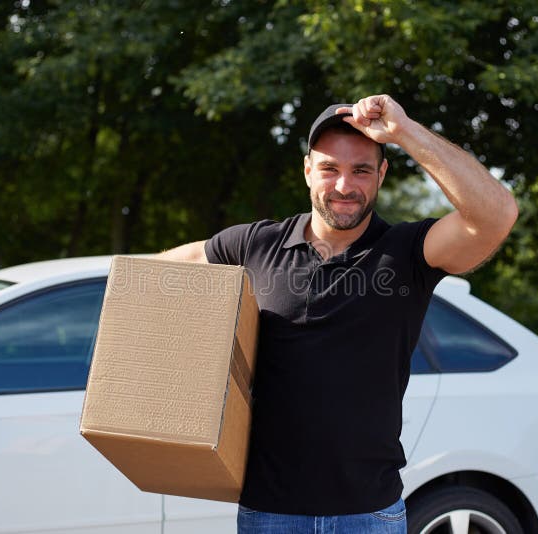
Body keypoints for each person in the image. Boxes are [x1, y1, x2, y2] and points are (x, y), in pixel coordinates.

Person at [156, 94, 518, 534]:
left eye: (361, 170)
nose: (345, 186)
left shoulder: (409, 253)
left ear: (382, 174)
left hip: (369, 516)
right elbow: (150, 278)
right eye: (330, 169)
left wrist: (404, 132)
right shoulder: (253, 245)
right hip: (268, 515)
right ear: (308, 169)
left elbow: (496, 214)